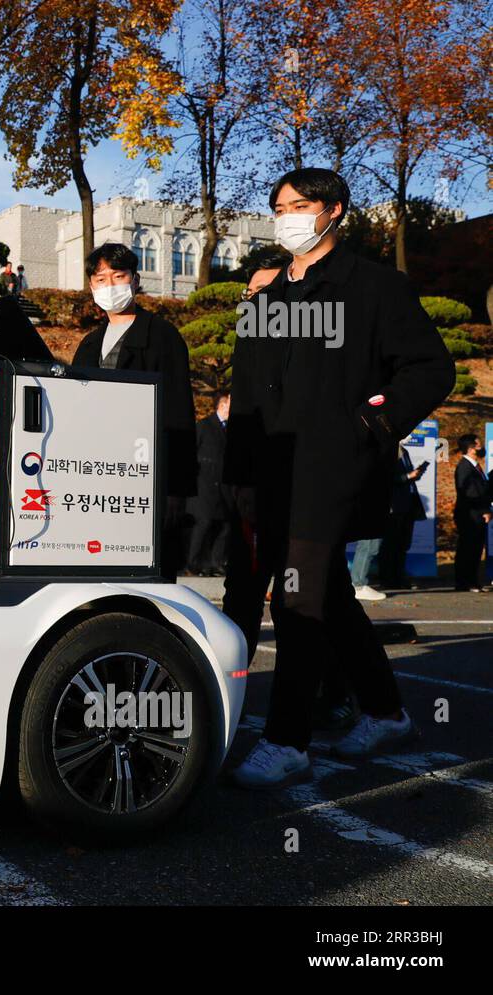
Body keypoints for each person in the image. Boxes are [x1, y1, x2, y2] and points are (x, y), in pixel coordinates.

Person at [226, 167, 454, 789]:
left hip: (330, 467)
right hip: (270, 468)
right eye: (279, 207)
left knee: (298, 595)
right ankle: (384, 710)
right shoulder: (266, 296)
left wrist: (368, 425)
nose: (287, 217)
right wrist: (238, 469)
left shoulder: (376, 287)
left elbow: (432, 370)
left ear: (335, 212)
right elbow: (247, 390)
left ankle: (288, 739)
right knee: (327, 594)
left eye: (301, 205)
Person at [71, 242, 197, 575]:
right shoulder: (89, 344)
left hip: (145, 475)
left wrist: (176, 489)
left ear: (135, 280)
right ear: (90, 285)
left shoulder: (162, 336)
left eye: (118, 275)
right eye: (100, 279)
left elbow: (179, 413)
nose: (110, 285)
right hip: (94, 474)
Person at [221, 266, 284, 662]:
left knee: (307, 600)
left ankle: (331, 693)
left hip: (299, 487)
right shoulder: (248, 340)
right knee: (242, 594)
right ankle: (233, 683)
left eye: (266, 290)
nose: (255, 297)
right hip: (252, 490)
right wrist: (239, 484)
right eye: (251, 291)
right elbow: (242, 418)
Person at [187, 392, 230, 576]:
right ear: (222, 405)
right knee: (203, 524)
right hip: (203, 486)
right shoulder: (204, 426)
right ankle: (193, 562)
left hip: (222, 487)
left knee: (224, 526)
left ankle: (216, 562)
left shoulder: (230, 429)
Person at [377, 445, 425, 589]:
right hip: (394, 506)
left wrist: (414, 475)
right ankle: (387, 579)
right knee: (390, 545)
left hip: (408, 505)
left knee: (402, 544)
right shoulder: (387, 451)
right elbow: (385, 477)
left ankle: (399, 578)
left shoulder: (404, 452)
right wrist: (407, 476)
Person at [453, 433, 491, 592]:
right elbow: (469, 492)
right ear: (470, 448)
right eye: (478, 445)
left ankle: (472, 581)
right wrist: (484, 510)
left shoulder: (475, 466)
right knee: (468, 548)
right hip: (469, 515)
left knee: (475, 549)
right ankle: (465, 582)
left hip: (476, 513)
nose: (481, 447)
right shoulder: (464, 467)